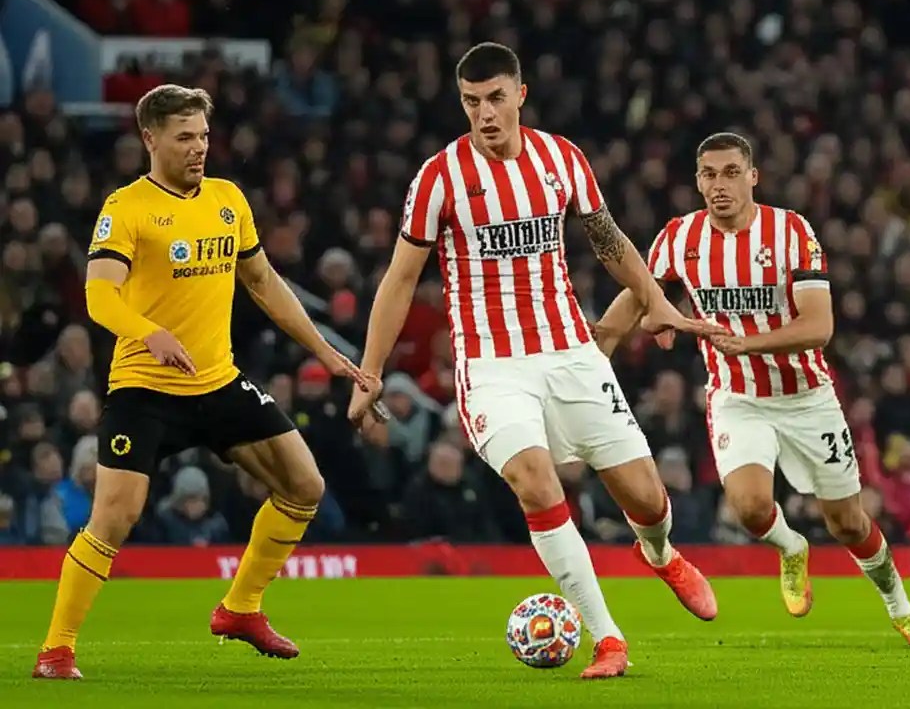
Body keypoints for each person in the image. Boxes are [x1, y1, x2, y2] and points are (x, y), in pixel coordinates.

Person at [346, 43, 723, 680]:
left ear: (520, 93)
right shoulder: (439, 178)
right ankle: (608, 640)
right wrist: (370, 370)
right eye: (471, 102)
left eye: (495, 98)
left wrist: (655, 302)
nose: (485, 113)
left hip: (571, 352)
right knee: (536, 484)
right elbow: (400, 279)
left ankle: (659, 554)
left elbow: (608, 241)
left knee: (647, 497)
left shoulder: (562, 159)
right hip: (492, 368)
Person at [33, 84, 376, 680]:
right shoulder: (128, 207)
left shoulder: (227, 200)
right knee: (115, 517)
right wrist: (149, 333)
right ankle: (56, 650)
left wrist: (329, 352)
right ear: (151, 138)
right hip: (145, 388)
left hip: (216, 382)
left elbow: (266, 285)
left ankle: (240, 608)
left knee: (304, 484)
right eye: (185, 137)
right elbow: (98, 296)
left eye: (205, 136)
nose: (199, 148)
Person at [593, 132, 910, 649]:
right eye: (709, 175)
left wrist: (748, 343)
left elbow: (820, 325)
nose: (720, 185)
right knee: (750, 508)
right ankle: (791, 545)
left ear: (753, 176)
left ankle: (901, 606)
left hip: (807, 396)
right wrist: (597, 352)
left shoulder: (790, 232)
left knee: (848, 522)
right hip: (736, 397)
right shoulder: (679, 237)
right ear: (697, 181)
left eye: (732, 172)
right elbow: (639, 293)